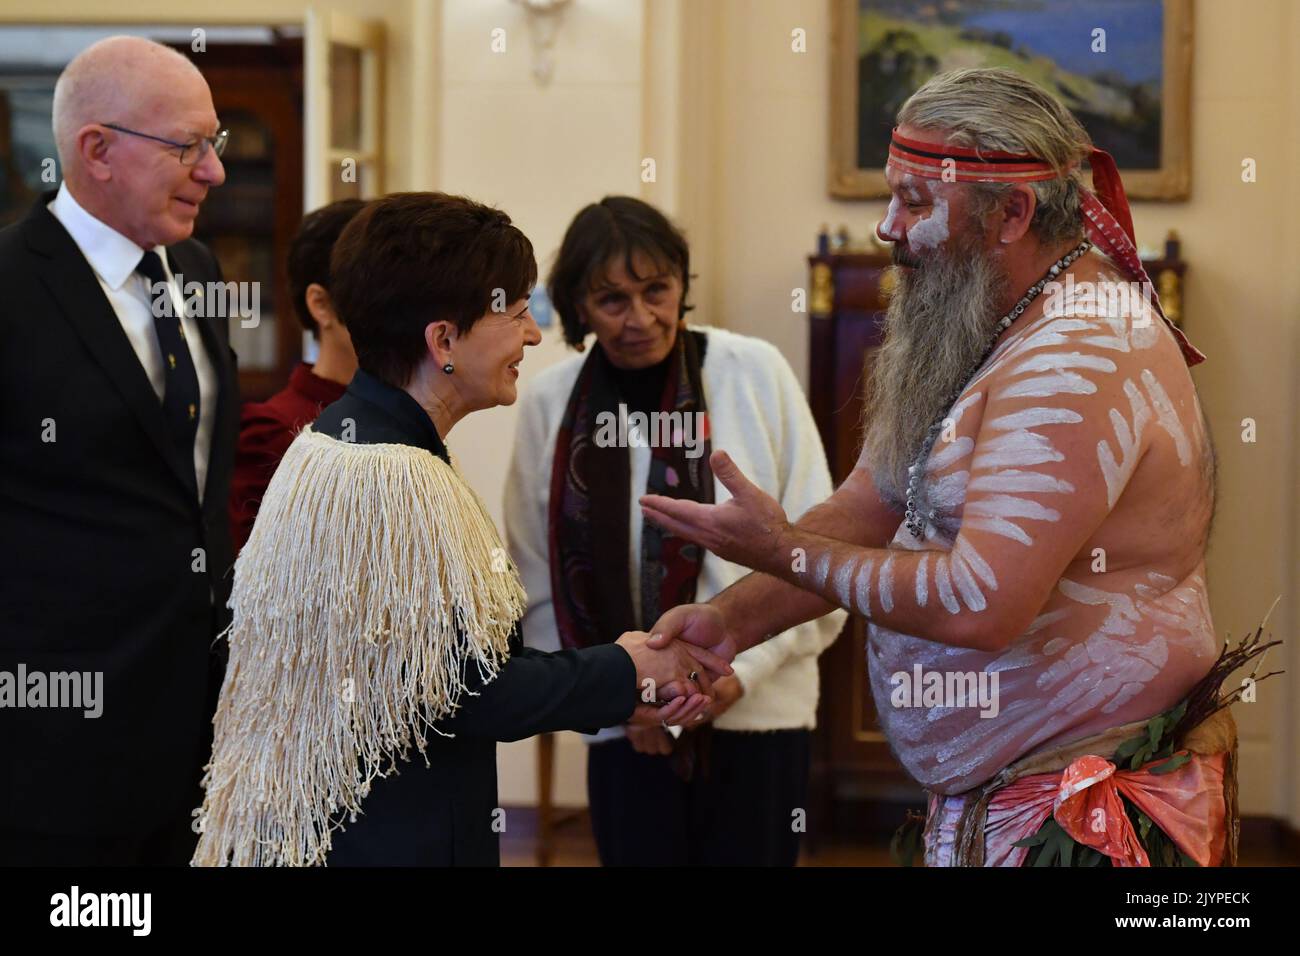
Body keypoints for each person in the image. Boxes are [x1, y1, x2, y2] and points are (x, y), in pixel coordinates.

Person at [641, 69, 1236, 867]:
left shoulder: (1081, 349)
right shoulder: (980, 314)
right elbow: (867, 505)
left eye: (917, 202)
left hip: (1088, 812)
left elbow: (982, 603)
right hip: (1001, 801)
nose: (887, 227)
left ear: (1013, 213)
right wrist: (728, 625)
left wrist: (780, 548)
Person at [191, 192, 721, 867]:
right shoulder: (393, 477)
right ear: (443, 341)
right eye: (515, 311)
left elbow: (441, 674)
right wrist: (626, 672)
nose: (532, 334)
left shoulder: (345, 442)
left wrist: (618, 676)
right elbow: (470, 694)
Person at [504, 196, 844, 866]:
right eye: (611, 300)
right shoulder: (550, 401)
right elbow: (530, 573)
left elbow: (818, 551)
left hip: (758, 709)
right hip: (622, 725)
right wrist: (623, 696)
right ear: (576, 306)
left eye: (657, 290)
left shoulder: (755, 370)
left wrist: (736, 676)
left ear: (682, 283)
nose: (641, 319)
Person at [0, 36, 235, 865]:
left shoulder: (200, 268)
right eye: (187, 147)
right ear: (97, 151)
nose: (213, 172)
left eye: (216, 143)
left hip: (201, 728)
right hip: (51, 750)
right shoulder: (11, 288)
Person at [228, 198, 366, 554]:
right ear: (321, 304)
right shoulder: (274, 429)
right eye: (376, 291)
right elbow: (254, 579)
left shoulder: (412, 413)